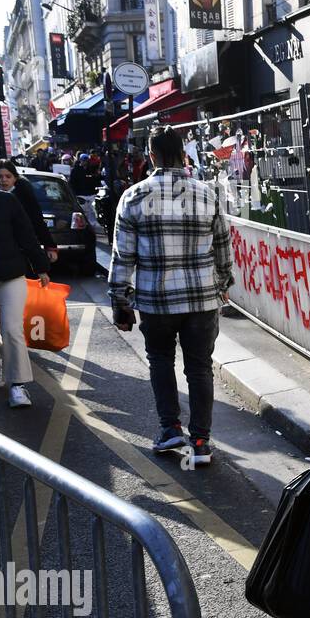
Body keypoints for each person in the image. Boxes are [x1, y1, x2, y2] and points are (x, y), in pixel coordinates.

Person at [108, 126, 234, 467]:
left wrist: (120, 301)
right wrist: (223, 282)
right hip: (202, 299)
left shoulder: (133, 197)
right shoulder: (207, 194)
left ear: (152, 156)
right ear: (182, 154)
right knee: (200, 367)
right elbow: (223, 247)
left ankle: (170, 429)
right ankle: (201, 441)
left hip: (157, 301)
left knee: (161, 360)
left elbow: (123, 256)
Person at [0, 176, 51, 407]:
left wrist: (41, 266)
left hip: (11, 276)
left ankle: (18, 385)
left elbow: (27, 235)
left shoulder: (7, 201)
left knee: (12, 329)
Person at [0, 160, 59, 266]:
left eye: (8, 176)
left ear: (15, 178)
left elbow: (37, 222)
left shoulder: (23, 196)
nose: (4, 180)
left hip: (21, 252)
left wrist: (49, 246)